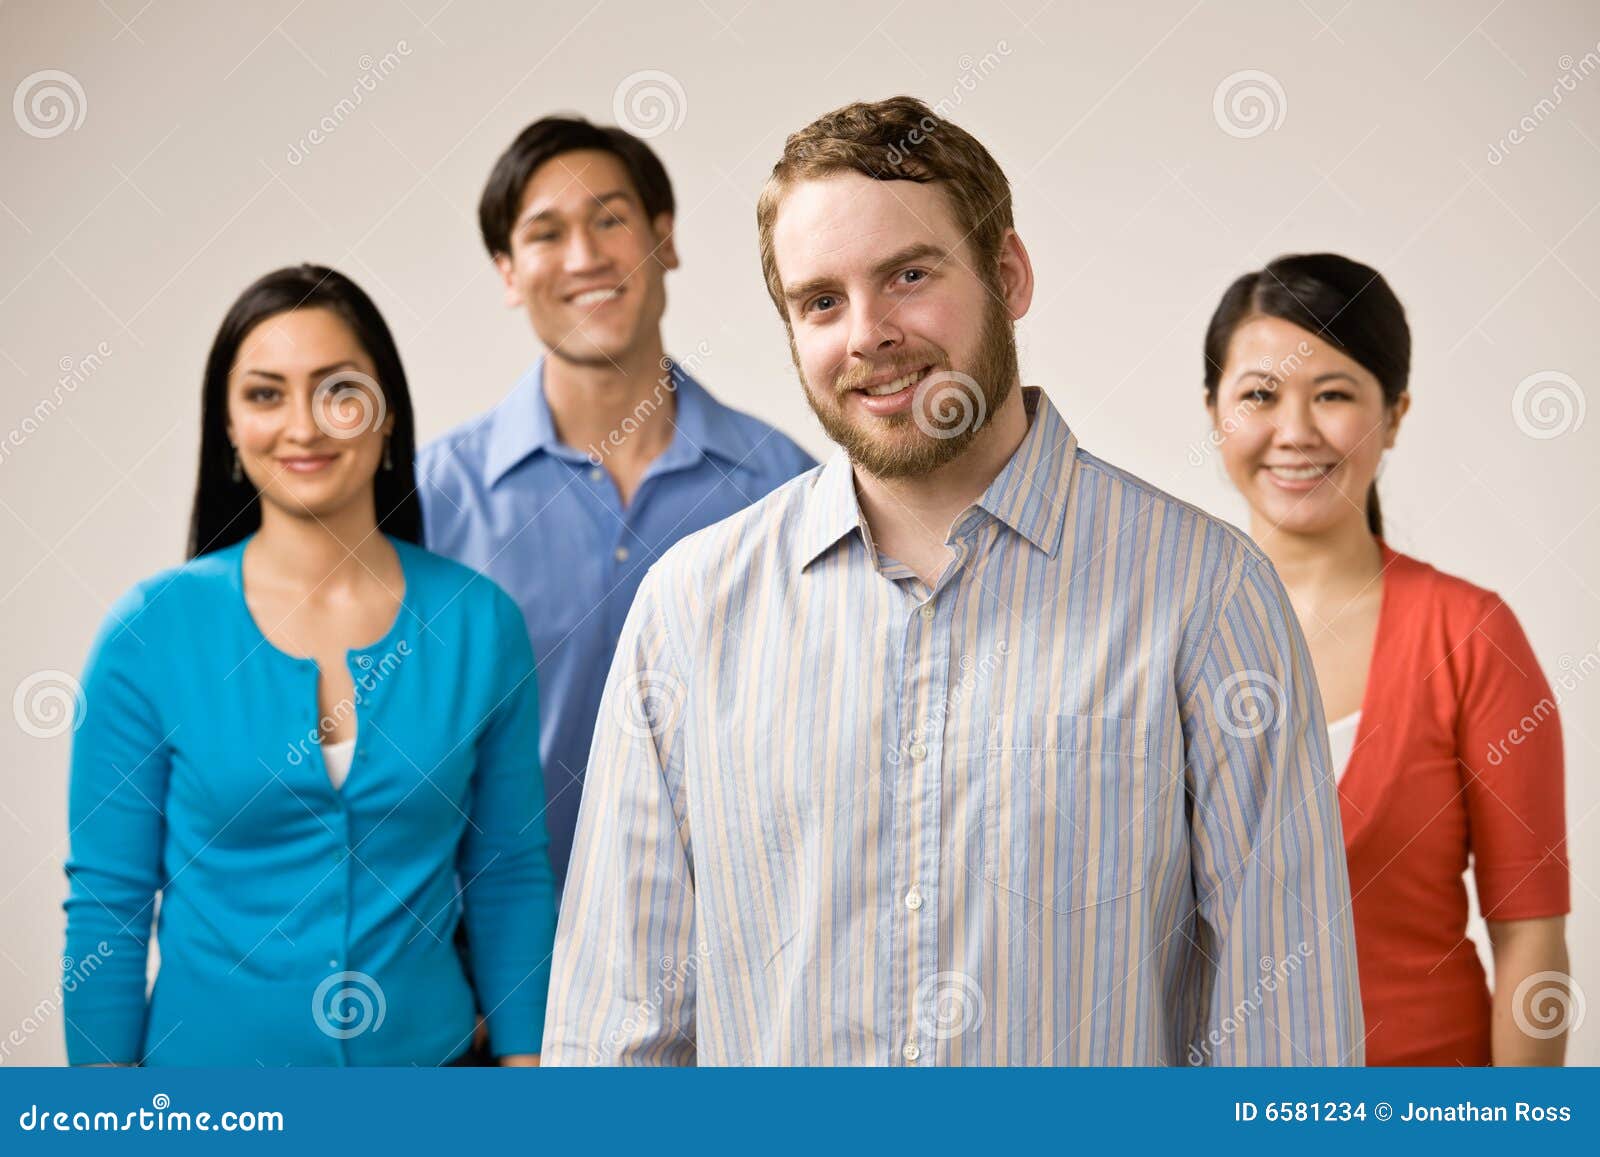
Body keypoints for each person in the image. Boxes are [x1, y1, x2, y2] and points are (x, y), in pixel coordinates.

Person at [540, 97, 1364, 1066]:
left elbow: (1290, 1026)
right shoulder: (688, 611)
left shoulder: (1206, 594)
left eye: (910, 275)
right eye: (820, 301)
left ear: (1006, 274)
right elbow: (619, 1030)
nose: (867, 333)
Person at [63, 265, 555, 1066]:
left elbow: (508, 877)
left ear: (386, 412)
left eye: (338, 390)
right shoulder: (148, 635)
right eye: (265, 393)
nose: (304, 424)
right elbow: (107, 909)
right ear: (226, 424)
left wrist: (531, 1084)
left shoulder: (480, 624)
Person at [418, 116, 815, 891]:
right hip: (496, 983)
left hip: (728, 979)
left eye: (610, 219)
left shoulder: (785, 489)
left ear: (664, 238)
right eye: (545, 233)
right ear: (506, 271)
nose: (585, 257)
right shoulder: (431, 501)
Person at [1201, 253, 1571, 1066]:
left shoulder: (1469, 635)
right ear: (1214, 412)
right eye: (1259, 395)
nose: (1295, 431)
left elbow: (1530, 939)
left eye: (1334, 394)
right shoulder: (1155, 626)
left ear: (1395, 414)